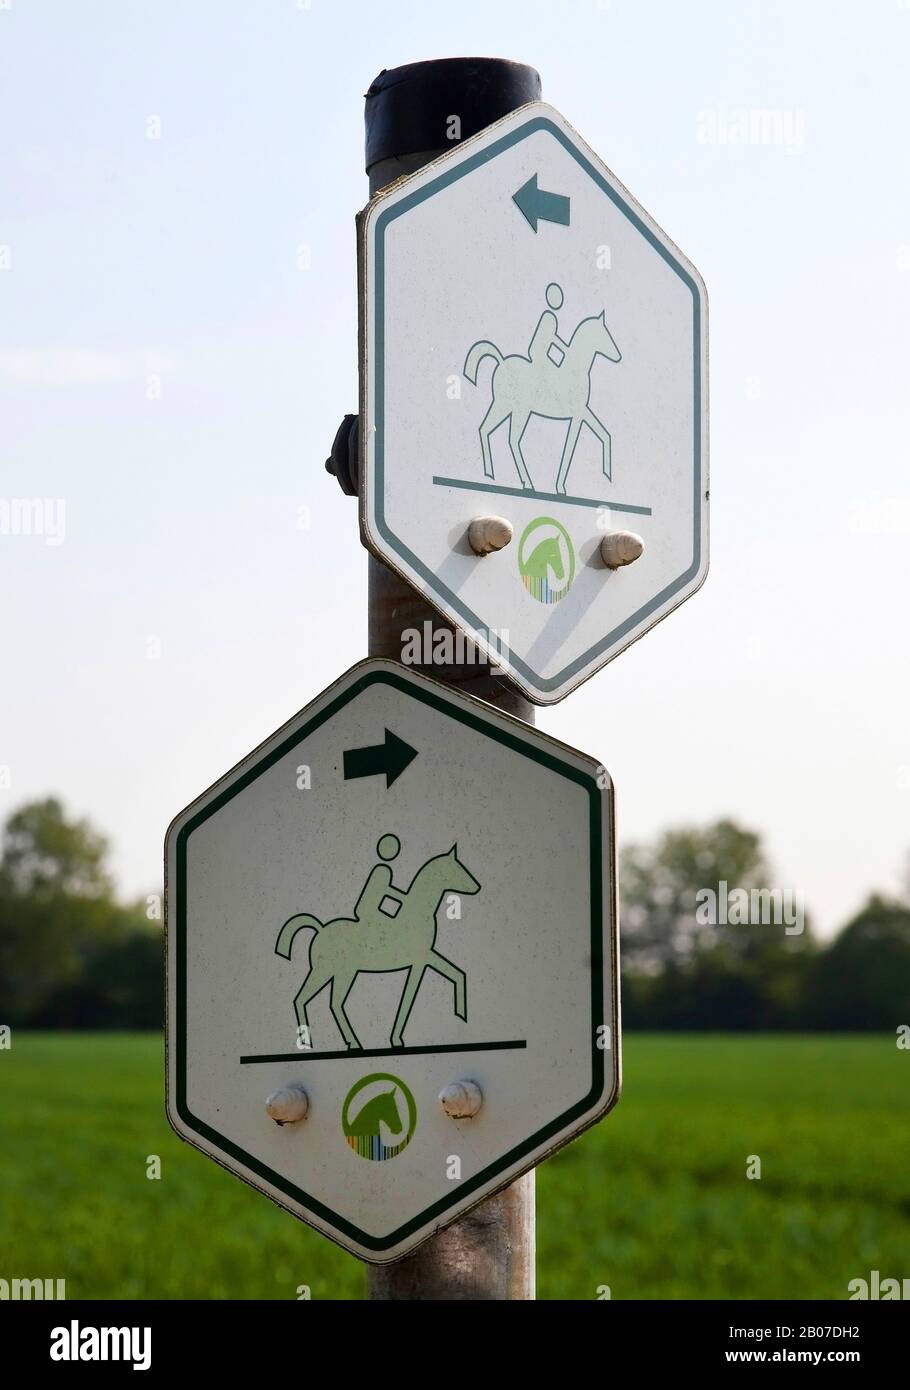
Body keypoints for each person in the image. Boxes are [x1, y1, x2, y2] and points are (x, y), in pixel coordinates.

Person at [354, 833, 407, 926]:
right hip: (368, 912)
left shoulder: (382, 871)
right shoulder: (382, 871)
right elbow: (384, 891)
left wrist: (403, 899)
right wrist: (403, 899)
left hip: (367, 911)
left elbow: (385, 891)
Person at [528, 283, 569, 367]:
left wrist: (565, 349)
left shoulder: (551, 317)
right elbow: (550, 337)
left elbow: (552, 338)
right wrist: (565, 349)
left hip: (543, 352)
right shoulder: (548, 317)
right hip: (538, 352)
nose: (558, 301)